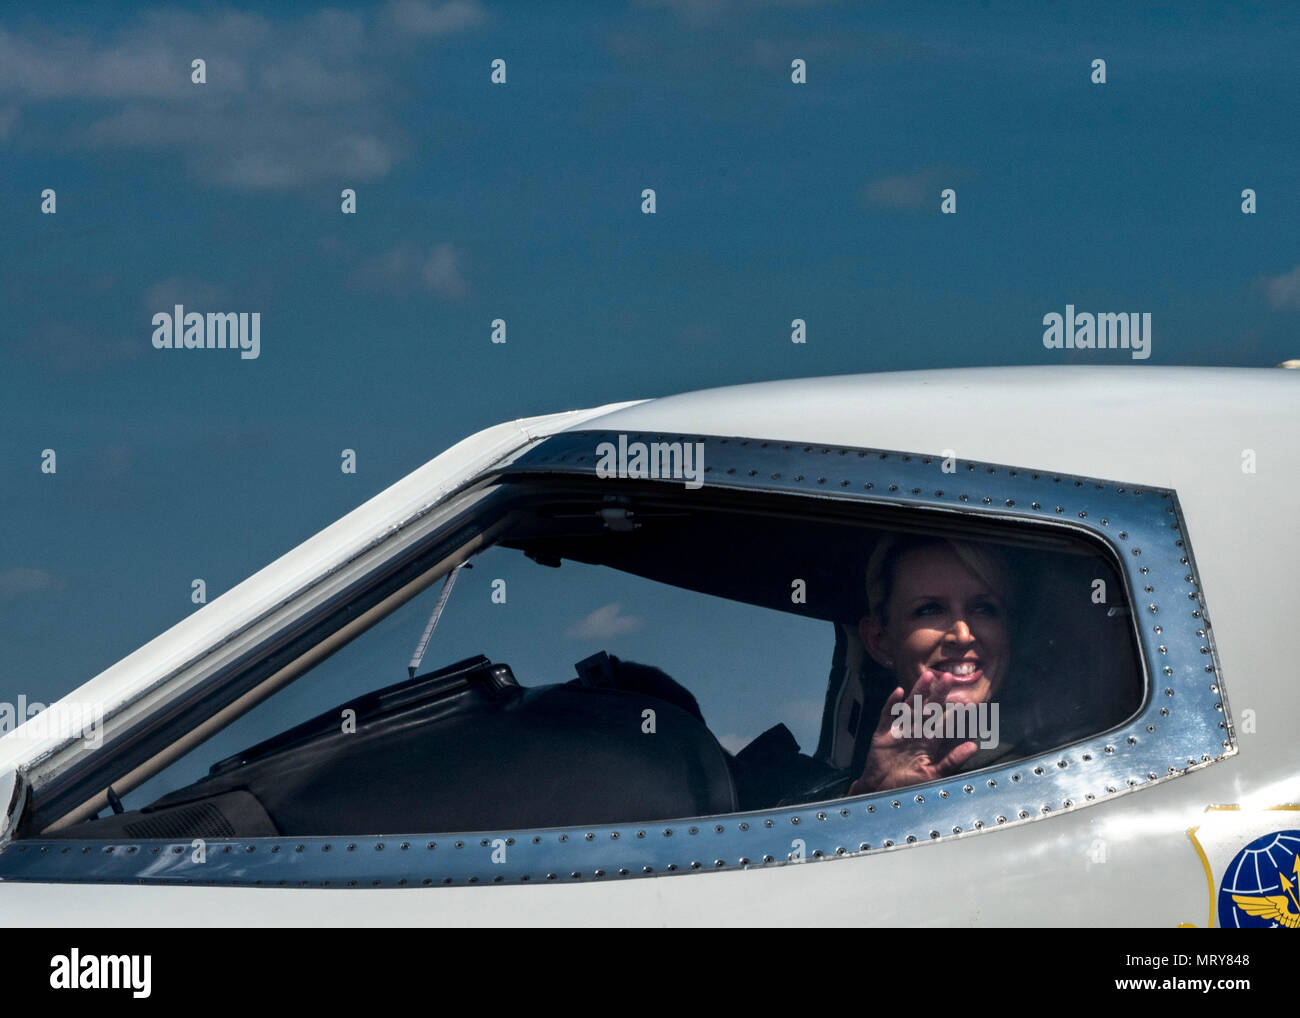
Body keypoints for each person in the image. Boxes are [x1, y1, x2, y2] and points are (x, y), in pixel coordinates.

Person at [848, 533, 1017, 795]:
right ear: (879, 641)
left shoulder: (1061, 771)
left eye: (984, 608)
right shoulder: (819, 792)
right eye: (930, 610)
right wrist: (873, 799)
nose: (962, 636)